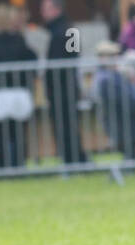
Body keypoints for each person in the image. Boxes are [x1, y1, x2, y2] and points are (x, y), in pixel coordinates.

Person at [0, 2, 37, 168]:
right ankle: (19, 164)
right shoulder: (18, 40)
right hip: (18, 93)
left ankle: (1, 166)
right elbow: (31, 58)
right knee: (18, 133)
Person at [41, 0, 89, 165]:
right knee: (69, 124)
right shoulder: (70, 29)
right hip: (66, 84)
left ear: (56, 9)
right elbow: (75, 55)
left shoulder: (64, 30)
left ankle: (73, 157)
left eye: (46, 8)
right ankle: (74, 157)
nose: (42, 13)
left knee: (66, 125)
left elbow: (72, 57)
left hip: (61, 85)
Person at [94, 41, 135, 157]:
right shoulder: (107, 79)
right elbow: (129, 103)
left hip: (127, 121)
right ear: (102, 58)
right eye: (112, 56)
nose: (116, 59)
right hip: (124, 124)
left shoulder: (113, 75)